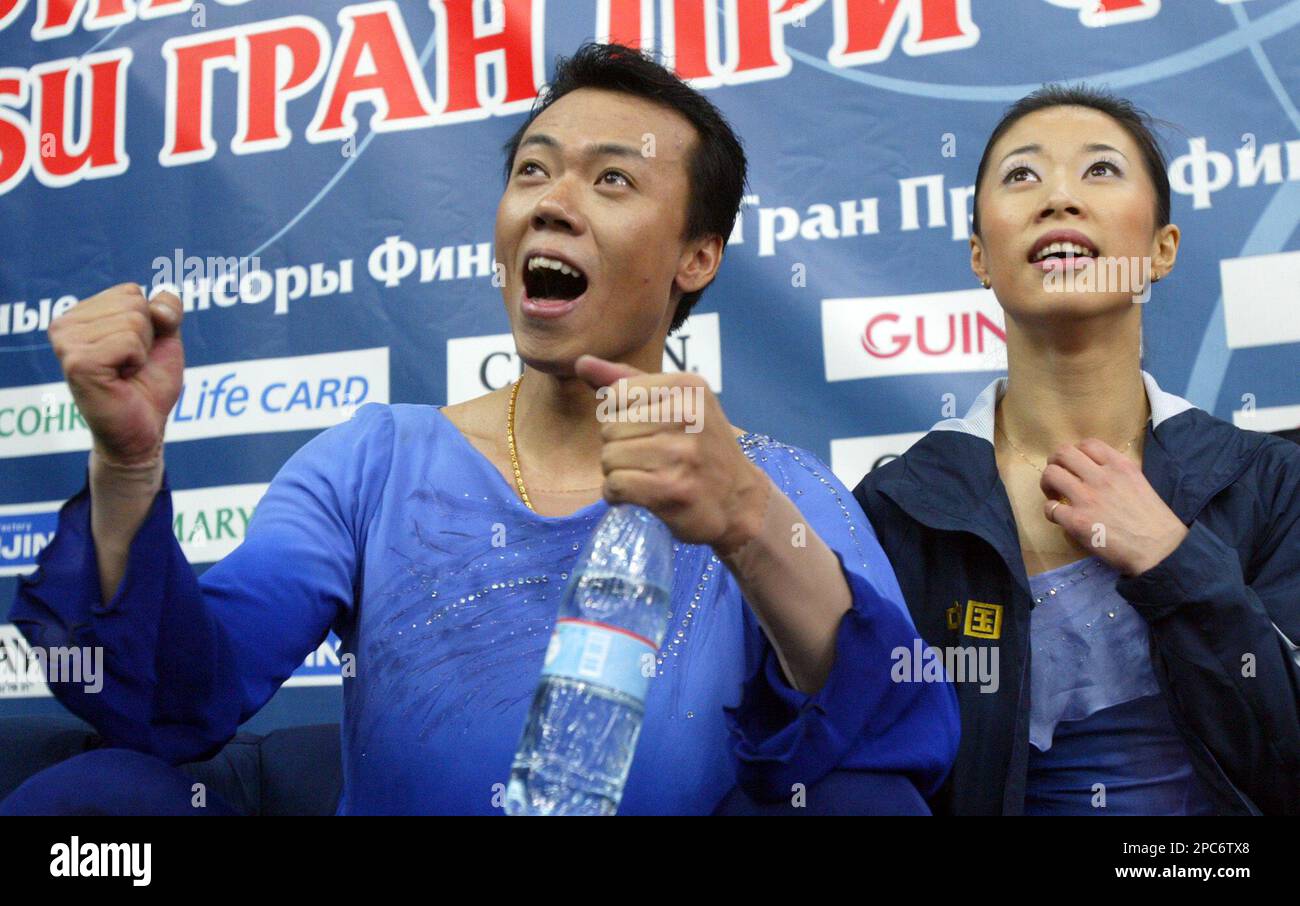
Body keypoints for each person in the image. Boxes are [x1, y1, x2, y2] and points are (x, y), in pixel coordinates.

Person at [5, 43, 958, 816]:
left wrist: (745, 519)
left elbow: (892, 732)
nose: (551, 200)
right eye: (533, 170)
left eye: (613, 181)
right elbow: (177, 700)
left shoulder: (769, 486)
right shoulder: (374, 464)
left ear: (697, 256)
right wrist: (127, 467)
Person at [854, 84, 1300, 816]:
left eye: (1099, 170)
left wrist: (1172, 561)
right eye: (1022, 176)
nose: (1058, 199)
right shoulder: (898, 511)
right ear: (980, 257)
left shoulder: (1270, 485)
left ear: (1162, 250)